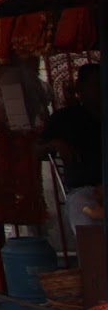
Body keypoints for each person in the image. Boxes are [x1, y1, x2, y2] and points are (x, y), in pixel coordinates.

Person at [40, 63, 103, 233]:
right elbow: (33, 149)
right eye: (97, 84)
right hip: (85, 191)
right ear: (80, 88)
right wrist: (54, 144)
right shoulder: (66, 119)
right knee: (88, 228)